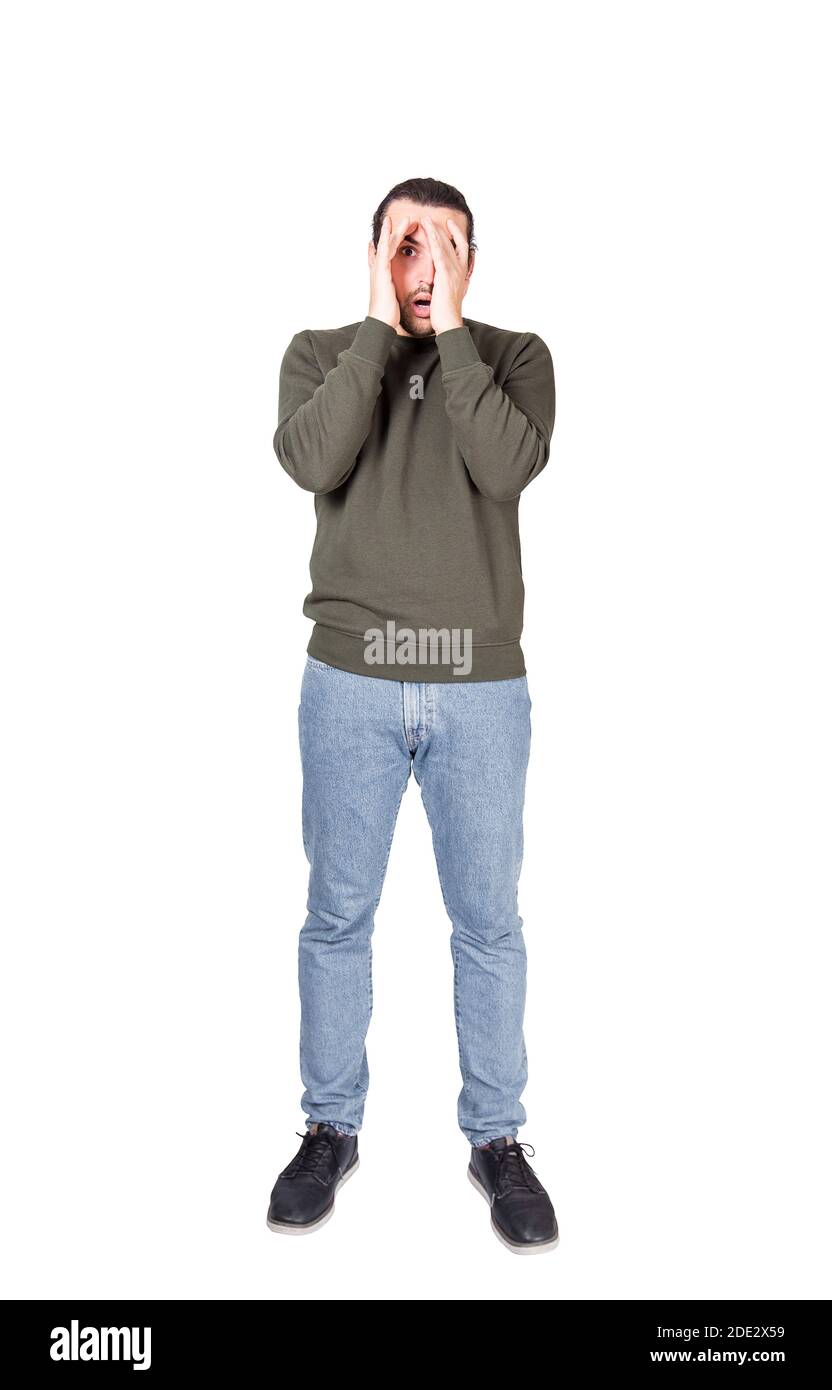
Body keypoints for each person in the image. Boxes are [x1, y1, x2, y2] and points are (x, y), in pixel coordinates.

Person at [266, 177, 559, 1254]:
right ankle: (328, 1125)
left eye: (443, 248)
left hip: (480, 686)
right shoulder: (321, 353)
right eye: (403, 246)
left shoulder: (516, 359)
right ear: (374, 260)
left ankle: (497, 1139)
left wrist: (456, 338)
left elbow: (505, 465)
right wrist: (380, 337)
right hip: (348, 679)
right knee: (336, 915)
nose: (422, 266)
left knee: (487, 923)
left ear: (472, 262)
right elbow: (312, 459)